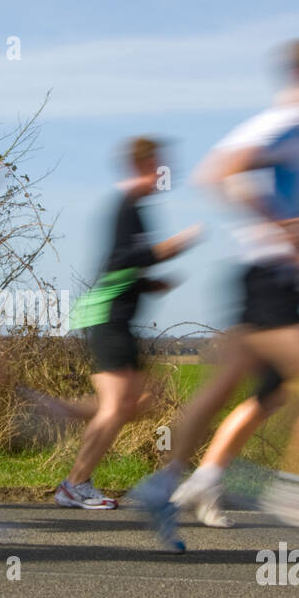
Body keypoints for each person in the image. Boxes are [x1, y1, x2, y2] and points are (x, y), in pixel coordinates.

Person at [130, 37, 299, 549]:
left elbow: (296, 220)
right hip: (268, 280)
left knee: (229, 389)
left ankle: (168, 482)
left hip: (273, 279)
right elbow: (219, 173)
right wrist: (283, 226)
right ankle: (298, 491)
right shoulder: (287, 122)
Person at [57, 136, 199, 510]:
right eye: (159, 166)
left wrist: (151, 282)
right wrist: (173, 246)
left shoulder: (135, 207)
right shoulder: (126, 206)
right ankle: (75, 484)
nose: (164, 174)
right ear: (142, 166)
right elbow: (126, 257)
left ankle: (62, 411)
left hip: (117, 317)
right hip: (108, 316)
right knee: (119, 406)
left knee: (142, 401)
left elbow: (124, 265)